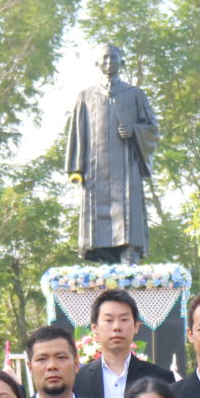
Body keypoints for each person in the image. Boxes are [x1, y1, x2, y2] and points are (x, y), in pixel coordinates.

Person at [64, 43, 159, 264]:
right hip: (95, 171)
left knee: (128, 217)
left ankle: (129, 259)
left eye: (113, 58)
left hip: (126, 168)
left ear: (121, 62)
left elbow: (153, 130)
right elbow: (77, 134)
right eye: (104, 59)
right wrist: (76, 170)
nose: (109, 63)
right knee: (99, 225)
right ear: (97, 63)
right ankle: (104, 260)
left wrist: (135, 131)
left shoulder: (135, 95)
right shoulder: (85, 96)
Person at [75, 290, 173, 398]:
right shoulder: (77, 378)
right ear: (94, 328)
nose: (117, 327)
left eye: (124, 319)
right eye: (109, 320)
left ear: (136, 326)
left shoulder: (161, 378)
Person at [24, 326, 79, 398]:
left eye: (61, 357)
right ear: (30, 367)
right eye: (42, 359)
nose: (52, 366)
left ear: (76, 364)